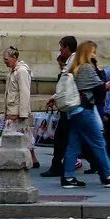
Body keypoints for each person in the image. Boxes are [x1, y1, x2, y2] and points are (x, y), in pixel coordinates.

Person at [56, 42, 110, 187]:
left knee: (73, 145)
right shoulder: (86, 67)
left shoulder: (75, 67)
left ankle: (68, 177)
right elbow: (98, 88)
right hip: (85, 110)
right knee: (99, 142)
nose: (95, 55)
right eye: (93, 52)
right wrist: (105, 86)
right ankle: (107, 175)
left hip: (74, 111)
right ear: (87, 52)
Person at [40, 37, 80, 178]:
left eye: (61, 47)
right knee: (67, 138)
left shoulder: (73, 62)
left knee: (63, 138)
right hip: (69, 106)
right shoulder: (71, 61)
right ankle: (59, 166)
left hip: (71, 107)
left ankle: (103, 169)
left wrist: (56, 97)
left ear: (68, 48)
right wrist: (55, 97)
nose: (60, 50)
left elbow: (68, 84)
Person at [0, 45, 33, 150]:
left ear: (14, 57)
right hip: (12, 108)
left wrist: (23, 113)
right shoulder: (12, 71)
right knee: (25, 133)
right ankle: (33, 159)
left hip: (16, 110)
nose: (4, 61)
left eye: (6, 59)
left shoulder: (21, 71)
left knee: (7, 133)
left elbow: (25, 92)